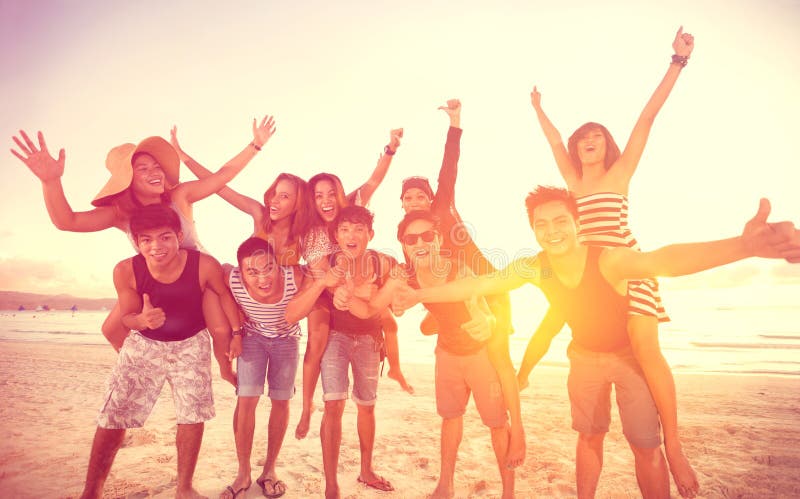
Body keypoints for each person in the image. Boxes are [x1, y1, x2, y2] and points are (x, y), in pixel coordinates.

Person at [392, 186, 798, 499]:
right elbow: (479, 282)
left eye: (560, 221)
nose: (552, 232)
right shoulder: (540, 268)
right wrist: (418, 295)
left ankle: (671, 456)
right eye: (541, 225)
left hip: (628, 358)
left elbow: (666, 260)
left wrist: (744, 247)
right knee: (589, 436)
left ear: (577, 223)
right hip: (583, 358)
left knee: (645, 444)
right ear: (533, 229)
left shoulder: (608, 259)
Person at [525, 26, 699, 496]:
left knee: (645, 349)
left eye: (599, 135)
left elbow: (647, 117)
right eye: (585, 135)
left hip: (626, 268)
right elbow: (554, 141)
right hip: (585, 279)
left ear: (608, 146)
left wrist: (677, 61)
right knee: (587, 370)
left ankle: (675, 444)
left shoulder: (620, 174)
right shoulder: (570, 183)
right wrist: (539, 109)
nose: (591, 138)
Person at [11, 118, 275, 384]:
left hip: (198, 276)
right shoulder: (120, 213)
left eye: (156, 166)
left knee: (219, 328)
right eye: (143, 168)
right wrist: (50, 181)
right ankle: (140, 370)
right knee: (111, 329)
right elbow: (67, 221)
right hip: (157, 278)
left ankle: (224, 369)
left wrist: (256, 145)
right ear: (127, 179)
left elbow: (223, 175)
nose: (155, 171)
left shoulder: (179, 196)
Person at [78, 204, 242, 499]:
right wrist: (141, 321)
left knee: (192, 415)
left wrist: (237, 333)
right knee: (114, 415)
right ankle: (91, 492)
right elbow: (126, 317)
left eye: (165, 237)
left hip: (190, 344)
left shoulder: (204, 264)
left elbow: (224, 297)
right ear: (138, 242)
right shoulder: (126, 270)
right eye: (147, 240)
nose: (157, 247)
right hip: (144, 346)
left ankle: (184, 488)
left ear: (179, 235)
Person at [398, 99, 524, 467]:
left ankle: (519, 432)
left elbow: (448, 169)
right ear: (402, 203)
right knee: (430, 325)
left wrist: (455, 123)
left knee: (499, 356)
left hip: (488, 288)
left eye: (421, 195)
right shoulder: (412, 235)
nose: (416, 201)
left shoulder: (440, 210)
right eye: (409, 197)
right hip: (452, 295)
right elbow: (414, 277)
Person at [357, 210, 515, 498]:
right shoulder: (406, 275)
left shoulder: (457, 267)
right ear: (404, 246)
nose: (421, 243)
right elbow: (372, 309)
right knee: (450, 417)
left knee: (496, 423)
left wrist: (489, 321)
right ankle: (445, 486)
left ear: (439, 239)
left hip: (481, 353)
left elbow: (470, 295)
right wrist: (351, 295)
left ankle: (508, 492)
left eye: (428, 235)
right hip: (447, 353)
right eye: (411, 239)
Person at [296, 129, 413, 443]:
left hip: (354, 284)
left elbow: (375, 179)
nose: (325, 201)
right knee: (318, 338)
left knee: (387, 320)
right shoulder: (313, 233)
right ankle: (307, 407)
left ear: (339, 193)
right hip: (324, 289)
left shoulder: (352, 208)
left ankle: (394, 366)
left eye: (330, 193)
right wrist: (353, 293)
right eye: (318, 196)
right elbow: (324, 277)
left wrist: (390, 149)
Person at [285, 205, 397, 499]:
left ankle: (366, 469)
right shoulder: (325, 264)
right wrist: (328, 286)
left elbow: (396, 308)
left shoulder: (384, 263)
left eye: (359, 229)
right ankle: (331, 484)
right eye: (345, 229)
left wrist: (369, 297)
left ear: (370, 235)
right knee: (334, 405)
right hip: (336, 337)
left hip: (371, 339)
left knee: (367, 406)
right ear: (336, 235)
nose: (352, 235)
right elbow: (295, 310)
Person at [220, 237, 308, 499]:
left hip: (287, 339)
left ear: (277, 263)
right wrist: (235, 331)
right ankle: (243, 472)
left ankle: (269, 470)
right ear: (241, 271)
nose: (262, 278)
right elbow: (217, 290)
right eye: (252, 272)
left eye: (268, 268)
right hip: (253, 338)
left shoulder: (295, 277)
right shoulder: (231, 278)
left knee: (281, 401)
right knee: (246, 400)